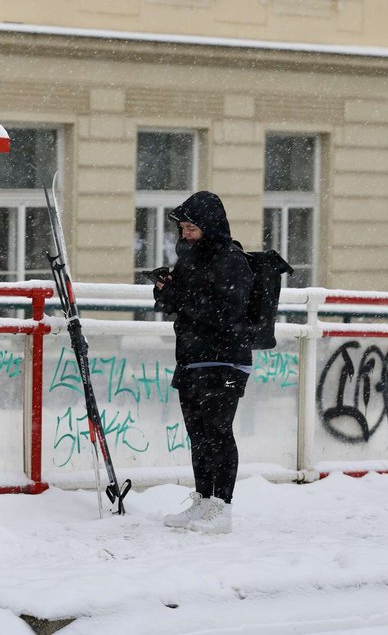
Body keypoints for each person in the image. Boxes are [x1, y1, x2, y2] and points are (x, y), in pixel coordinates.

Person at [153, 190, 253, 535]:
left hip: (226, 360)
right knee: (197, 433)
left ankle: (221, 508)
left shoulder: (232, 260)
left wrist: (184, 300)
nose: (185, 234)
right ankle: (203, 499)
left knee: (218, 431)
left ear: (209, 227)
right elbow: (184, 305)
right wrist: (166, 291)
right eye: (182, 228)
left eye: (191, 228)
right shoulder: (189, 260)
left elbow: (228, 314)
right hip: (192, 358)